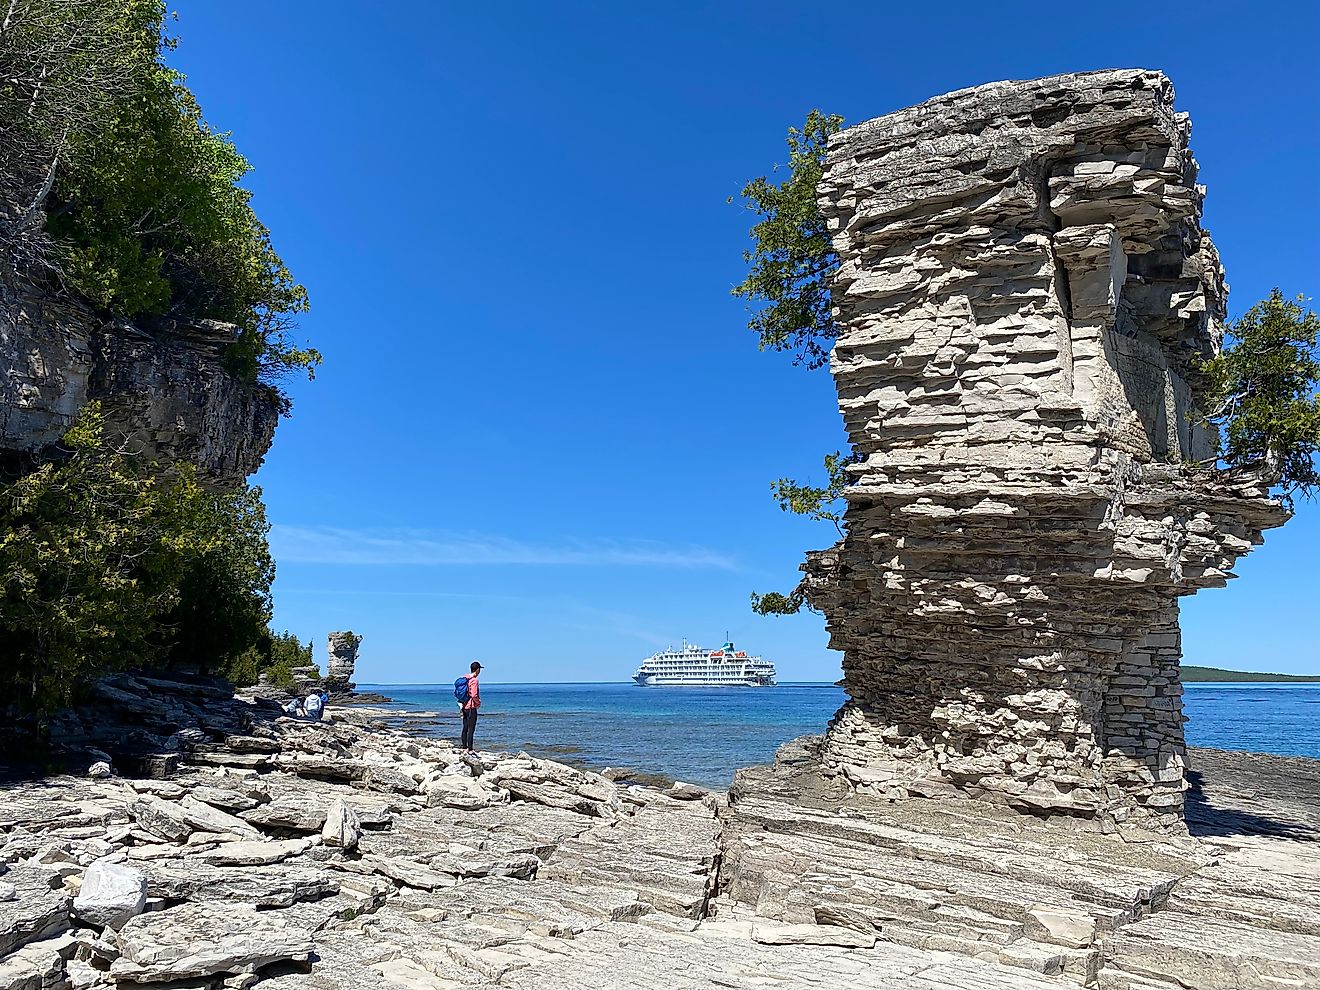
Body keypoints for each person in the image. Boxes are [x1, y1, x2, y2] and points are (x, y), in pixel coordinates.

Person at [459, 661, 481, 752]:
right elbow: (474, 694)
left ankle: (464, 747)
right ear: (477, 670)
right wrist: (478, 703)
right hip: (471, 707)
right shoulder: (474, 680)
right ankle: (470, 749)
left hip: (464, 706)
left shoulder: (465, 678)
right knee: (471, 728)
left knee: (465, 727)